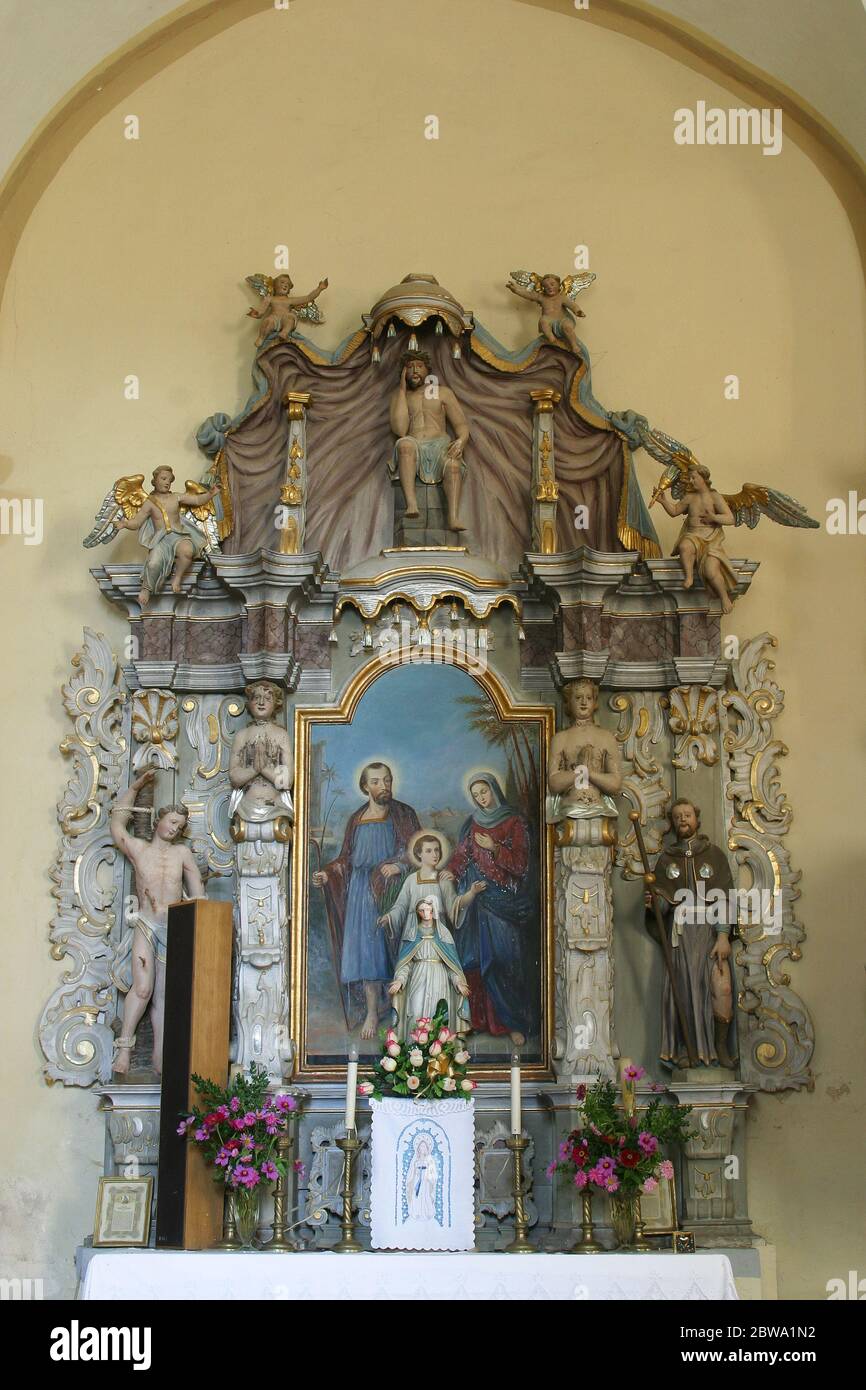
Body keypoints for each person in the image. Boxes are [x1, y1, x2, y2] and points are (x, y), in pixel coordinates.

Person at [312, 762, 420, 1039]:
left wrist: (400, 865)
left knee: (395, 952)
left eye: (387, 780)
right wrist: (328, 874)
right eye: (376, 782)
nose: (383, 786)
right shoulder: (357, 818)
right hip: (361, 893)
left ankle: (401, 1011)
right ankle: (373, 1011)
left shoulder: (403, 814)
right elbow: (346, 859)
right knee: (367, 955)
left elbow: (418, 850)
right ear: (365, 787)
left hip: (392, 892)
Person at [110, 770, 205, 1075]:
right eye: (171, 822)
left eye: (180, 825)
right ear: (158, 821)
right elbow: (116, 821)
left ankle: (159, 1058)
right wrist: (136, 786)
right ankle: (124, 1050)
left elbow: (199, 897)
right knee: (142, 989)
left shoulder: (182, 853)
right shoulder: (139, 849)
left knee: (164, 996)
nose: (175, 828)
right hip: (147, 925)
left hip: (174, 929)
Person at [645, 798, 738, 1069]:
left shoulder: (714, 855)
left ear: (696, 818)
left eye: (687, 815)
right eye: (677, 817)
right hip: (682, 936)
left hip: (709, 934)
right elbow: (663, 904)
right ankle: (689, 1049)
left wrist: (722, 936)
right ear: (673, 823)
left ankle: (720, 1046)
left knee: (723, 988)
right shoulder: (666, 860)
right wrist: (655, 903)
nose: (682, 820)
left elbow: (724, 898)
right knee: (684, 993)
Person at [444, 773, 532, 1045]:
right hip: (477, 900)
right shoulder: (473, 824)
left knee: (503, 961)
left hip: (504, 902)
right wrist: (451, 871)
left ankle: (509, 1023)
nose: (481, 798)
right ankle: (478, 1020)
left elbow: (520, 864)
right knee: (474, 960)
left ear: (494, 789)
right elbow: (463, 855)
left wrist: (493, 847)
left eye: (484, 791)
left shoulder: (513, 821)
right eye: (476, 794)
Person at [111, 466, 219, 608]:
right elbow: (136, 522)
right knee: (153, 563)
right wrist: (124, 524)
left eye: (169, 480)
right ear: (155, 481)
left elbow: (198, 500)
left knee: (187, 551)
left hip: (178, 535)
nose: (167, 482)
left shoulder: (176, 497)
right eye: (163, 479)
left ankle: (177, 578)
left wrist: (211, 493)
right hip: (161, 539)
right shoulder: (150, 502)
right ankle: (146, 588)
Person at [389, 351, 470, 530]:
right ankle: (412, 504)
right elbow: (400, 430)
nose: (415, 371)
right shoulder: (400, 396)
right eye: (409, 367)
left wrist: (461, 441)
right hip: (414, 443)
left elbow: (461, 424)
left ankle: (453, 518)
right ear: (404, 373)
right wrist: (402, 390)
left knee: (453, 466)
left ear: (427, 370)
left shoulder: (442, 393)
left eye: (419, 366)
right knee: (404, 445)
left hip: (440, 445)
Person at [656, 462, 737, 613]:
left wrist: (713, 517)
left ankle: (724, 597)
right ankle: (689, 577)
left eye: (693, 478)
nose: (691, 481)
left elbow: (730, 519)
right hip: (693, 535)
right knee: (685, 546)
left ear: (703, 478)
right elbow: (674, 511)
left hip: (711, 539)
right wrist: (664, 501)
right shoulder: (689, 498)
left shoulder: (714, 496)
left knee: (711, 571)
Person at [388, 896, 472, 1039]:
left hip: (439, 980)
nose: (426, 913)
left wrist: (458, 982)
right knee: (415, 1011)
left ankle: (440, 1056)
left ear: (433, 911)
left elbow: (451, 964)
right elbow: (405, 963)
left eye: (428, 910)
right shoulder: (412, 934)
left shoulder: (443, 934)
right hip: (418, 977)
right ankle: (414, 1054)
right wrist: (400, 981)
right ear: (417, 913)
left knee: (438, 1014)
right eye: (422, 910)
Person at [546, 678, 622, 825]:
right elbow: (553, 783)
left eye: (588, 697)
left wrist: (589, 773)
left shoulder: (606, 737)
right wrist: (578, 772)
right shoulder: (560, 738)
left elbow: (615, 783)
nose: (584, 702)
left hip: (599, 810)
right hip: (569, 809)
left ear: (595, 702)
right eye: (578, 698)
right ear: (568, 702)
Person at [228, 680, 293, 838]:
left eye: (267, 698)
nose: (261, 702)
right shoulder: (242, 736)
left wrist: (263, 768)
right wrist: (254, 769)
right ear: (249, 703)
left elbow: (286, 782)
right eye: (256, 697)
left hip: (275, 807)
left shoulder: (281, 735)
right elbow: (234, 777)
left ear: (276, 703)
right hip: (246, 807)